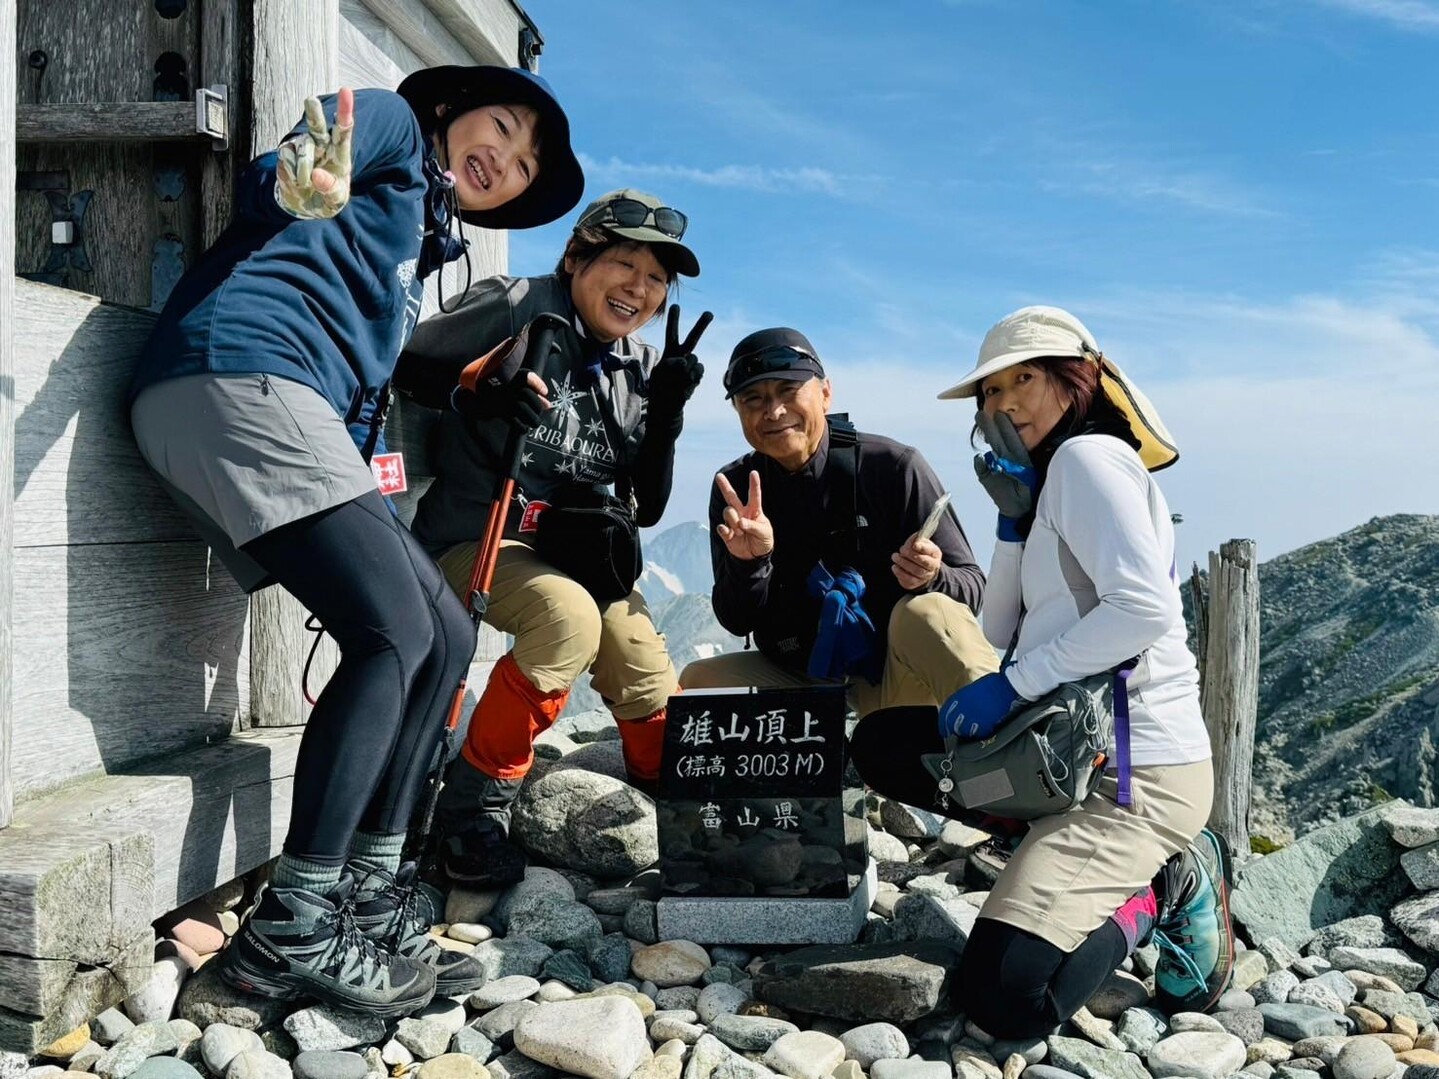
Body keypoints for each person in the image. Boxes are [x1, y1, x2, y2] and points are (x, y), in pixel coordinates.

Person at [127, 66, 583, 1016]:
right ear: (454, 111)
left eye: (524, 164)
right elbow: (291, 171)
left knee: (447, 633)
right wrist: (304, 175)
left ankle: (361, 893)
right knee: (391, 632)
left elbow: (387, 380)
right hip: (238, 371)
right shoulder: (388, 125)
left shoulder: (422, 235)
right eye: (502, 126)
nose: (505, 157)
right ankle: (291, 922)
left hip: (289, 407)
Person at [852, 305, 1232, 1038]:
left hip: (1134, 776)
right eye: (989, 393)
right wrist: (1010, 525)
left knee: (1003, 1001)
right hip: (1061, 753)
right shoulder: (1050, 478)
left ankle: (1161, 882)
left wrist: (1014, 686)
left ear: (1075, 380)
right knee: (884, 745)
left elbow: (1143, 608)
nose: (1000, 404)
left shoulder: (1089, 460)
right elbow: (997, 630)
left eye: (1021, 380)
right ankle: (1050, 852)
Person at [393, 188, 709, 889]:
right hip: (472, 539)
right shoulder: (516, 305)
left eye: (657, 277)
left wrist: (666, 416)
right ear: (576, 257)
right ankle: (470, 808)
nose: (640, 287)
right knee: (566, 619)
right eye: (624, 263)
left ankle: (665, 802)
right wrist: (480, 388)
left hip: (572, 552)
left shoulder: (639, 367)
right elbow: (408, 362)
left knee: (639, 657)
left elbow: (648, 506)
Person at [679, 328, 998, 721]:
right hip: (798, 673)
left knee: (930, 611)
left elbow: (973, 587)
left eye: (788, 391)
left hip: (890, 674)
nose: (773, 411)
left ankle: (1004, 741)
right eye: (753, 399)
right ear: (739, 412)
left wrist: (932, 576)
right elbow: (737, 619)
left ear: (826, 393)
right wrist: (751, 563)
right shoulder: (736, 490)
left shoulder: (892, 468)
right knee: (699, 683)